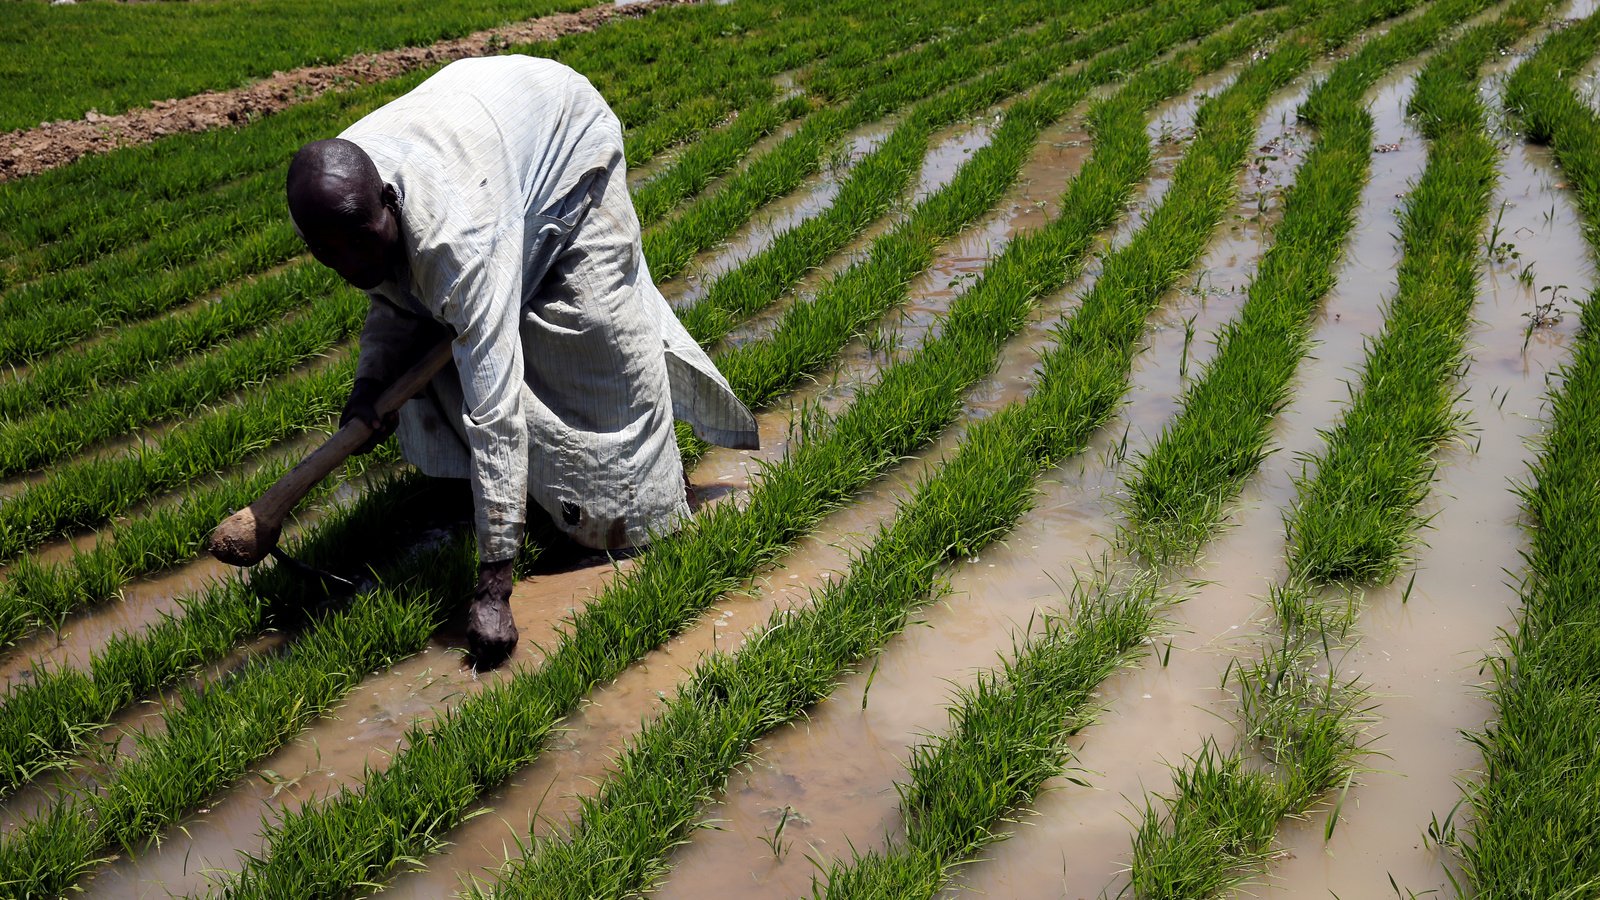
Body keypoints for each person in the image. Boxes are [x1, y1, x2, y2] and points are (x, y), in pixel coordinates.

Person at [285, 55, 759, 667]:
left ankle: (642, 508)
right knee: (441, 334)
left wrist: (492, 586)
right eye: (332, 253)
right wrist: (370, 389)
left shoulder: (455, 240)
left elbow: (495, 406)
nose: (350, 263)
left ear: (389, 202)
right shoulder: (338, 205)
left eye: (362, 241)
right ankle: (519, 502)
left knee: (591, 335)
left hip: (564, 140)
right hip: (487, 146)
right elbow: (396, 305)